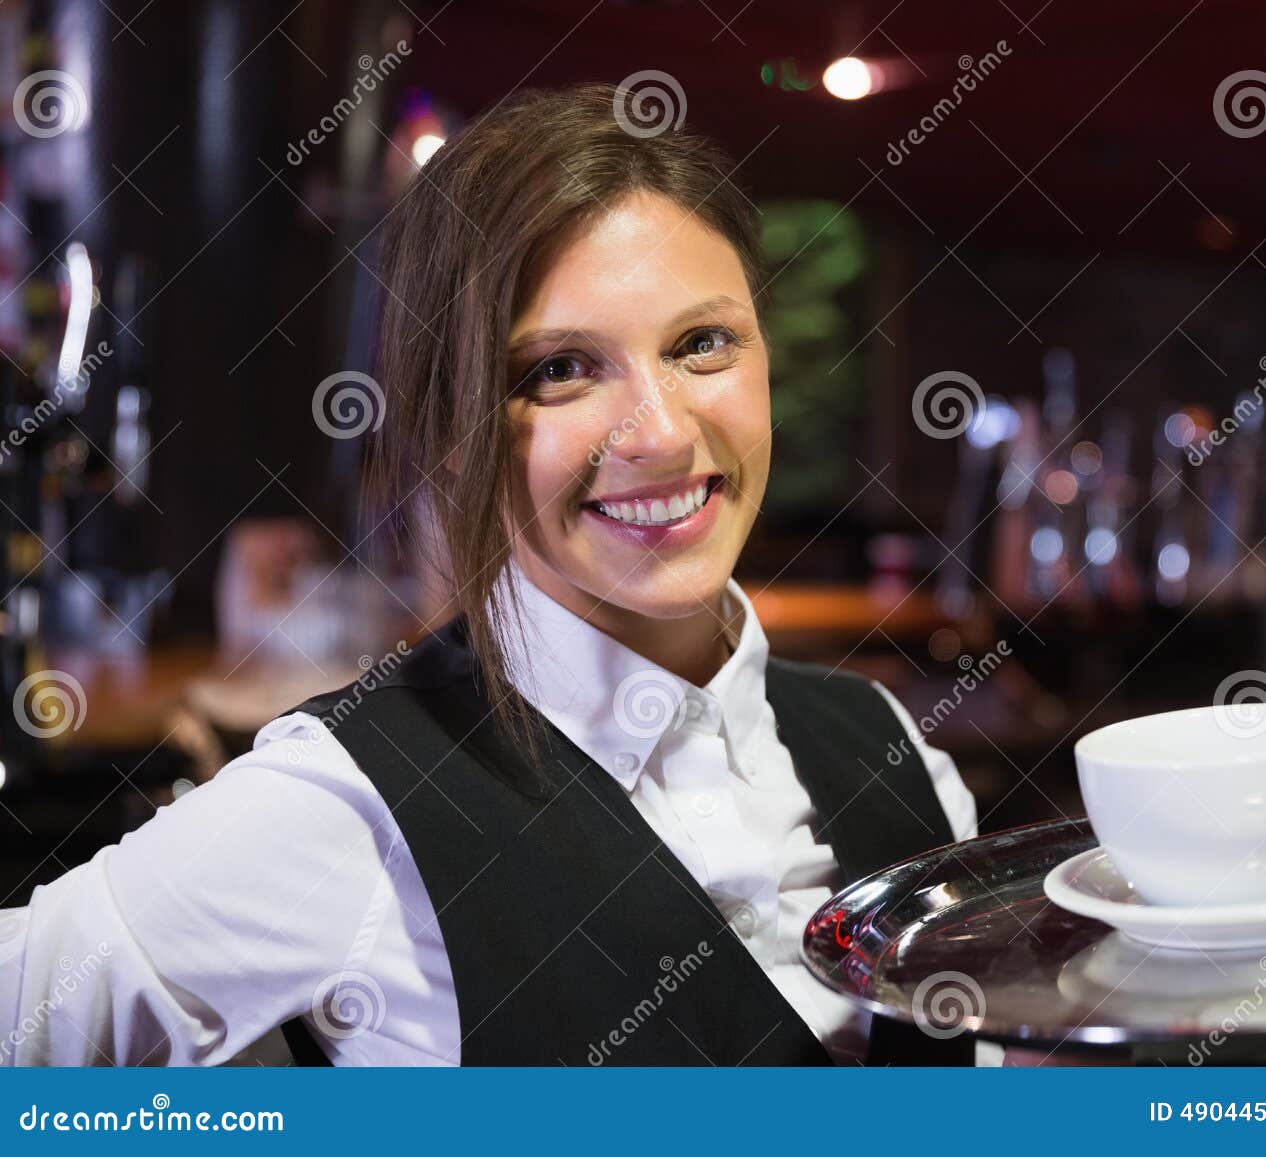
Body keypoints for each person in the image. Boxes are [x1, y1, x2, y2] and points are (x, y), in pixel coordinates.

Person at [0, 84, 997, 1067]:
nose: (659, 432)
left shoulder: (891, 745)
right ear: (447, 425)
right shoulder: (346, 804)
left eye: (702, 343)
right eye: (560, 368)